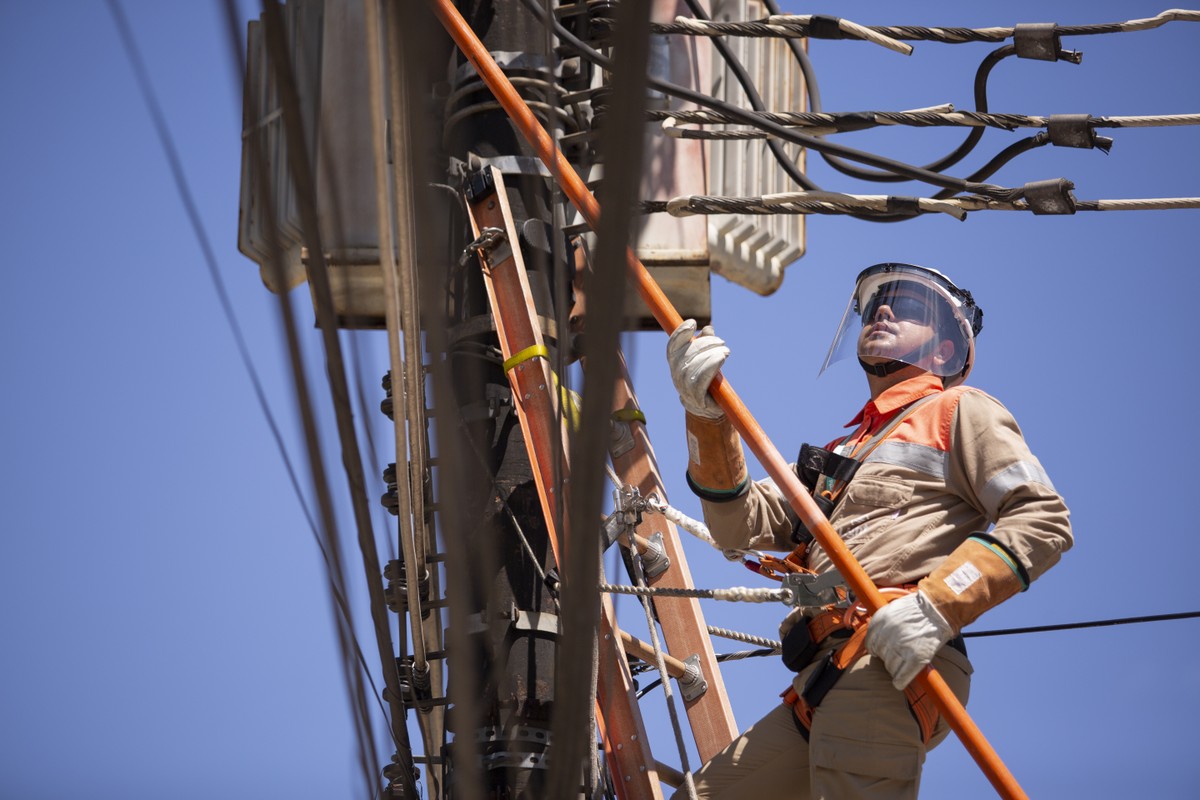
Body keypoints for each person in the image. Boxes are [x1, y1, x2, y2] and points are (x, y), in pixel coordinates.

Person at [665, 263, 1072, 799]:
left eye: (906, 308)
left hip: (890, 659)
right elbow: (736, 524)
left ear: (946, 353)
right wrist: (706, 417)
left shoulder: (959, 409)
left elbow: (1042, 519)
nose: (882, 311)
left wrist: (937, 604)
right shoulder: (843, 453)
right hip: (825, 675)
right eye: (877, 304)